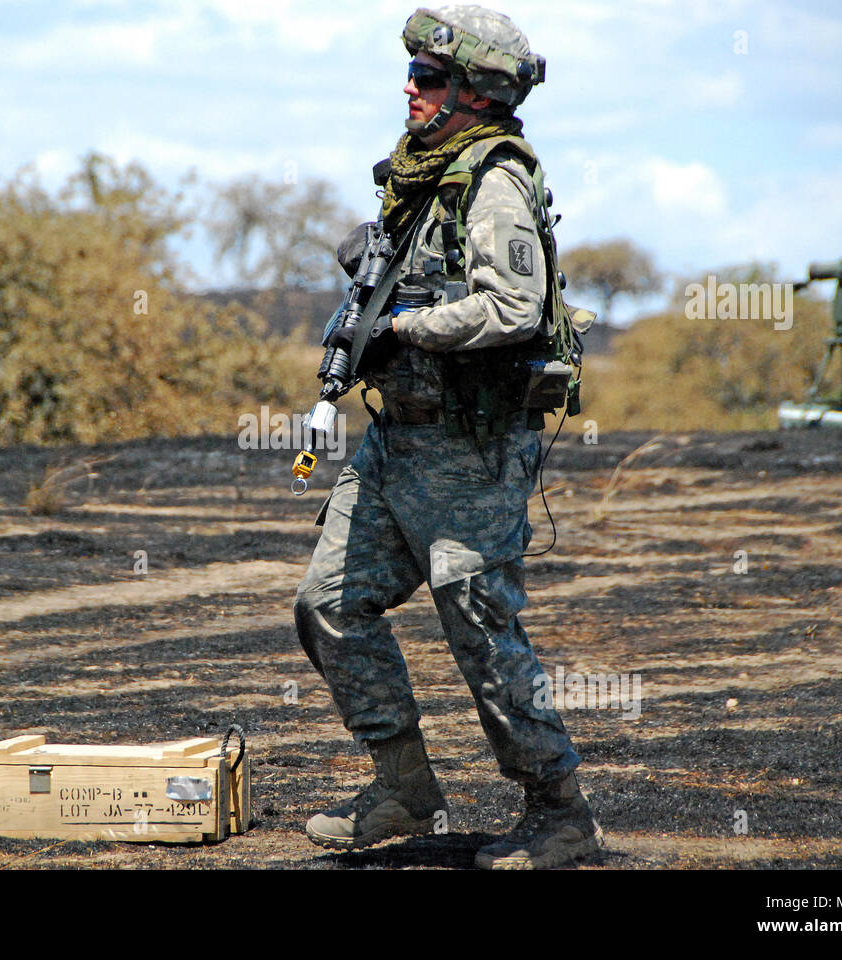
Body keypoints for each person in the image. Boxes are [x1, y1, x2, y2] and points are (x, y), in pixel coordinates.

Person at [293, 5, 603, 869]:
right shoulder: (419, 174)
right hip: (398, 443)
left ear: (474, 93)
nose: (409, 89)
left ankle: (559, 810)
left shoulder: (494, 179)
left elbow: (513, 306)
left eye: (428, 79)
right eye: (413, 75)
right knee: (327, 605)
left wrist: (408, 329)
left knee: (478, 623)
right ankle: (404, 789)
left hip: (473, 451)